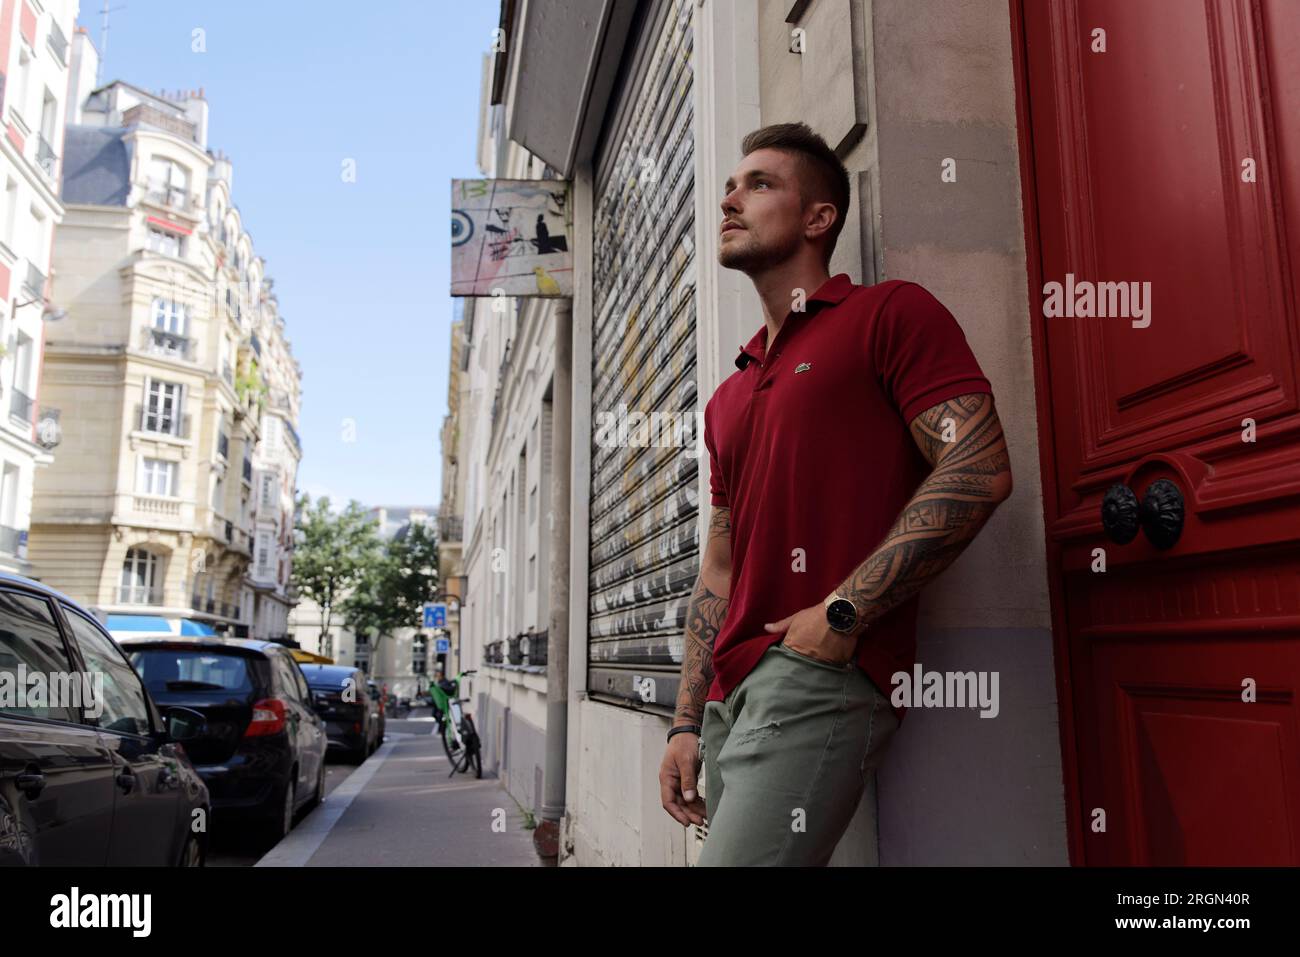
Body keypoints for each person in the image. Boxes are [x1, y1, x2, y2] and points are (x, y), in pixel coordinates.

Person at [658, 122, 1014, 866]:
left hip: (815, 672)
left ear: (820, 218)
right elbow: (719, 568)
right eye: (730, 186)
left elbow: (977, 465)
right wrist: (686, 718)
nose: (730, 199)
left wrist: (842, 614)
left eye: (759, 185)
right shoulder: (729, 393)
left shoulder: (887, 315)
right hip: (731, 689)